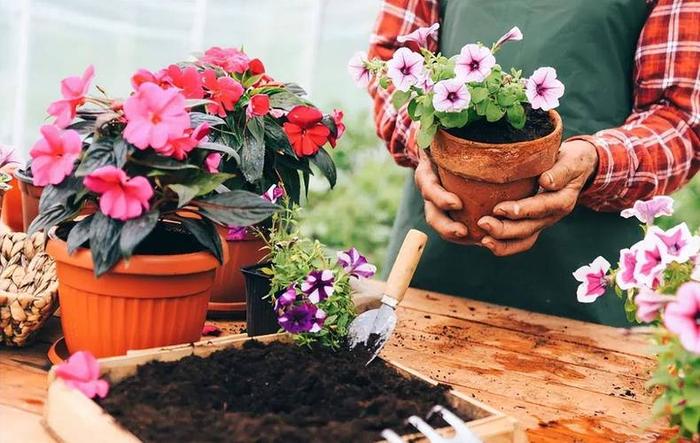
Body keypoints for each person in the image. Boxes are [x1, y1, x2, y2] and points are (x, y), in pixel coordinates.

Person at [368, 0, 699, 326]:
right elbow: (391, 61)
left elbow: (679, 117)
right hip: (438, 256)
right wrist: (424, 140)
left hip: (586, 275)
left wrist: (595, 161)